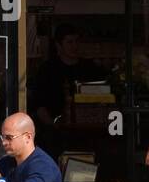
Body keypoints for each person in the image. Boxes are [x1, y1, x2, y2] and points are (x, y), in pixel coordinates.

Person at [28, 24, 103, 154]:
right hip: (55, 135)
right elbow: (38, 104)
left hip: (87, 132)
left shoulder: (90, 68)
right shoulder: (48, 70)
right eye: (69, 42)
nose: (74, 46)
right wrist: (52, 125)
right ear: (58, 45)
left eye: (77, 41)